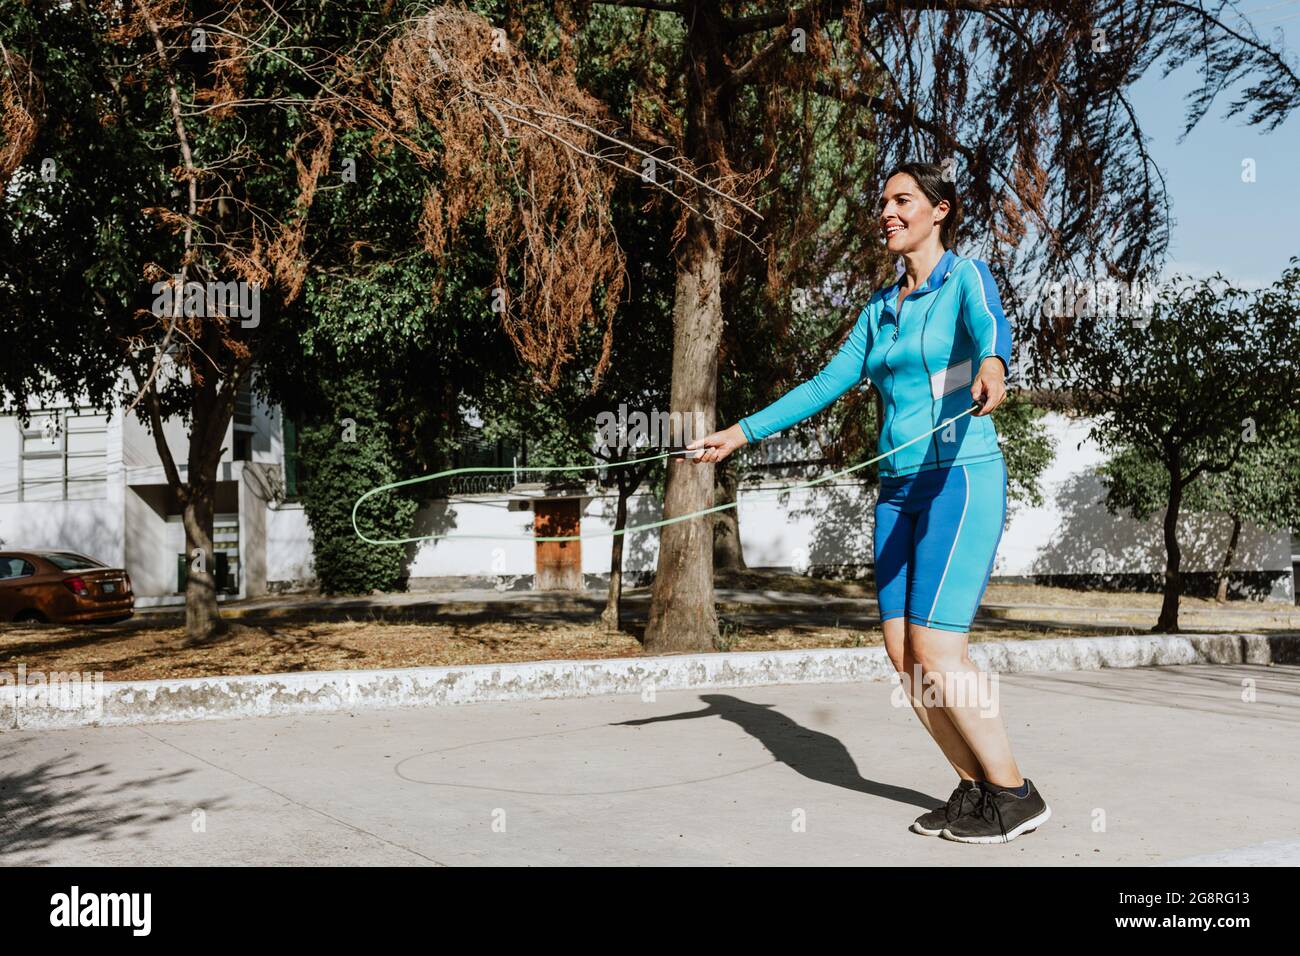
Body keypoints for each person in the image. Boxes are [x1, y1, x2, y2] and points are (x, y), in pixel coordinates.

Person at [685, 161, 1050, 844]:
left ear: (939, 210)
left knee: (938, 650)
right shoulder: (879, 310)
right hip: (898, 493)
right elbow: (824, 383)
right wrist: (738, 434)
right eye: (882, 200)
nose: (886, 210)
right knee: (902, 655)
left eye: (901, 199)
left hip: (959, 479)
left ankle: (1015, 793)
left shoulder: (962, 278)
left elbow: (990, 327)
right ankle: (973, 788)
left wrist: (994, 369)